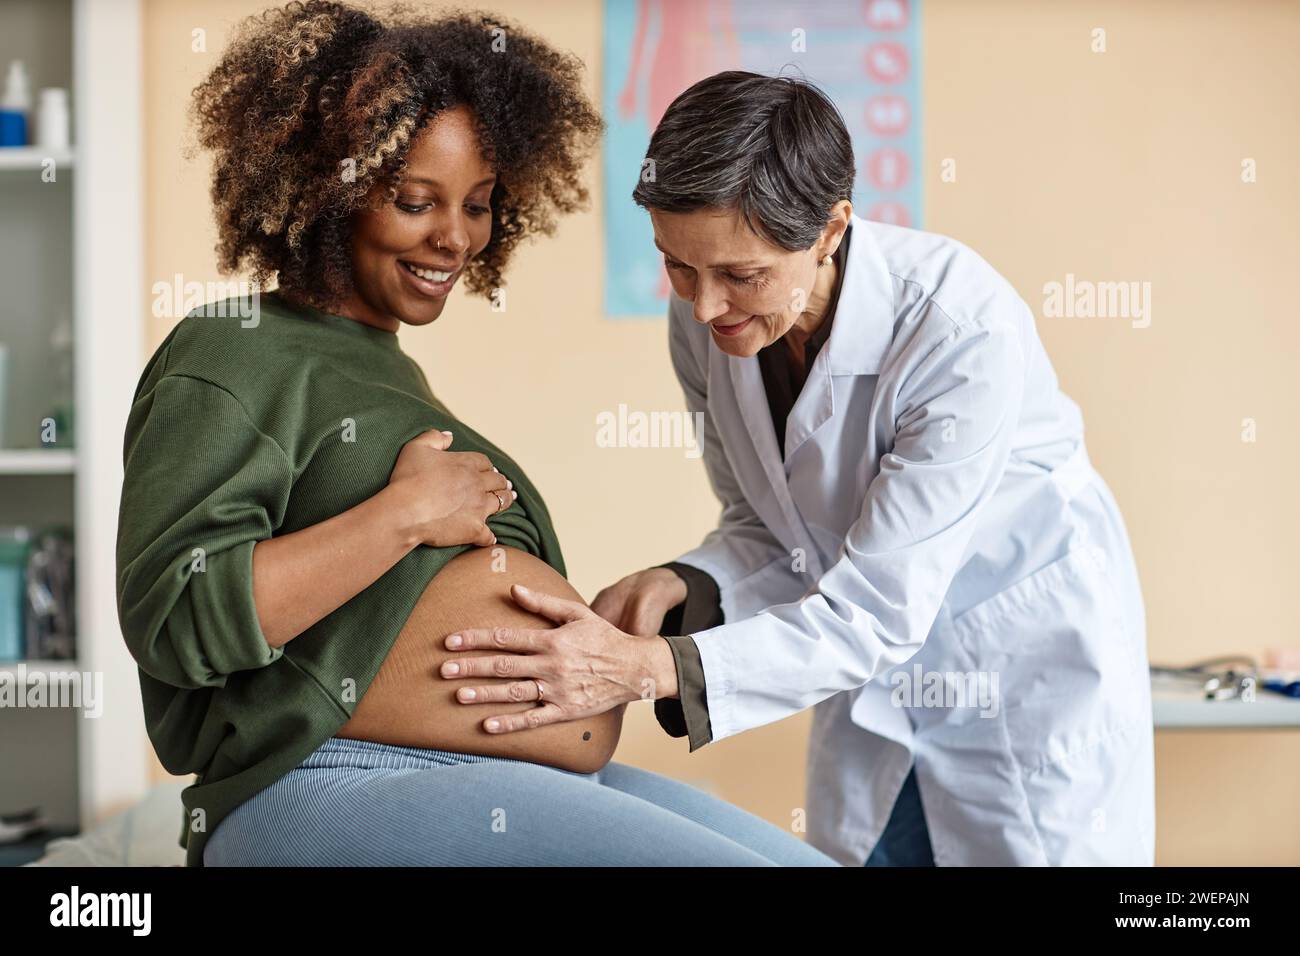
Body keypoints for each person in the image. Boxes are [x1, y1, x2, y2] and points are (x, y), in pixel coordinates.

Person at [116, 4, 836, 868]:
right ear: (327, 186)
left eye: (481, 205)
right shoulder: (233, 349)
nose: (455, 238)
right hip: (329, 778)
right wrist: (403, 518)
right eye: (416, 201)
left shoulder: (383, 369)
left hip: (480, 770)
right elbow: (175, 617)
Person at [443, 71, 1156, 867]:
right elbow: (769, 524)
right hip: (868, 675)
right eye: (678, 266)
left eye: (740, 275)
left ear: (829, 229)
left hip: (1013, 671)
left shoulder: (960, 333)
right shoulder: (707, 321)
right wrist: (690, 582)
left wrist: (652, 669)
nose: (705, 306)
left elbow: (879, 610)